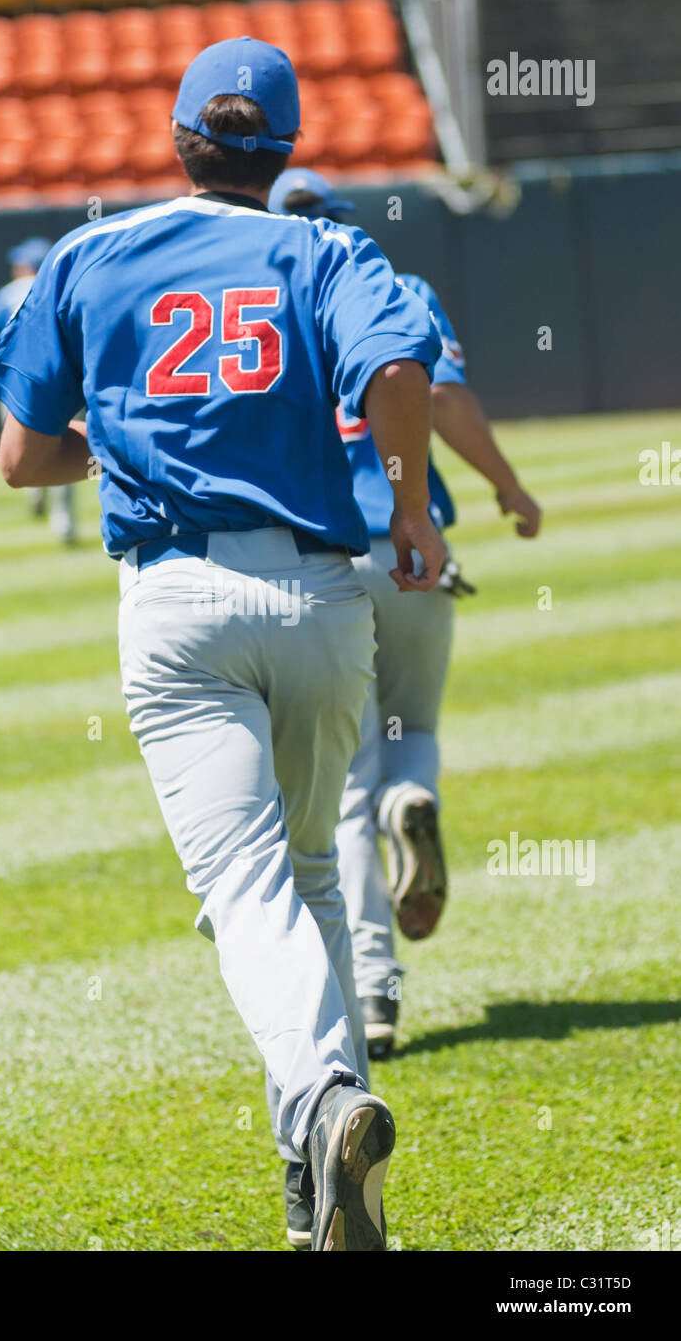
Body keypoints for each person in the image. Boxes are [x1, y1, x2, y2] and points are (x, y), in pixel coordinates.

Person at [0, 37, 447, 1251]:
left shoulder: (88, 251)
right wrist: (405, 501)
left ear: (179, 136)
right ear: (285, 149)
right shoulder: (325, 246)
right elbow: (398, 364)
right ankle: (315, 1189)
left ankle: (327, 1104)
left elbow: (21, 459)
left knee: (248, 890)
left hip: (177, 597)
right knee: (311, 877)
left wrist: (129, 449)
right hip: (318, 591)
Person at [270, 170, 542, 1061]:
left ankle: (376, 993)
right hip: (413, 551)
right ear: (344, 221)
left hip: (315, 563)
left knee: (347, 784)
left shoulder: (252, 304)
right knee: (412, 727)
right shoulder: (388, 286)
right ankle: (415, 796)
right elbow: (444, 396)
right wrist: (506, 486)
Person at [0, 238, 78, 544]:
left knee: (24, 446)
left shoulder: (6, 294)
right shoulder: (64, 287)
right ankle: (64, 521)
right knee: (61, 446)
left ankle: (34, 489)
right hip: (63, 383)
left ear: (22, 266)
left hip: (17, 384)